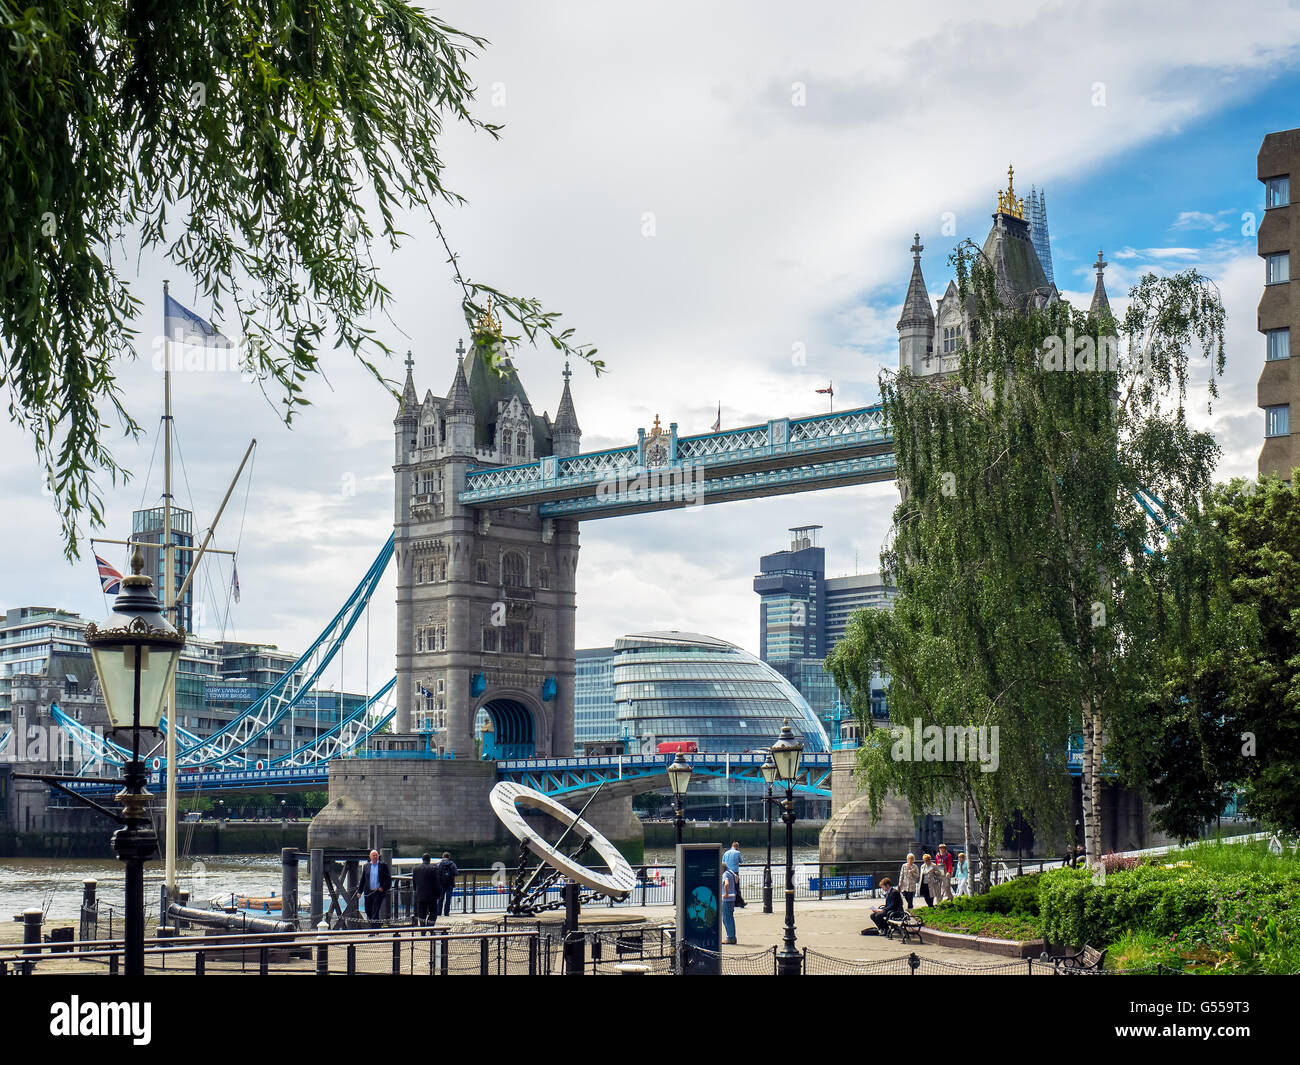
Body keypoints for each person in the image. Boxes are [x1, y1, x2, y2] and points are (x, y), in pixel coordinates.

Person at [411, 852, 440, 928]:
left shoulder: (415, 869)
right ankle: (430, 927)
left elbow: (414, 882)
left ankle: (423, 930)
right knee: (433, 913)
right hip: (431, 896)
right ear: (429, 860)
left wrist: (416, 892)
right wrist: (439, 894)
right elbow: (436, 883)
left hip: (420, 895)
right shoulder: (434, 868)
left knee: (421, 913)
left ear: (422, 859)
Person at [361, 849, 390, 922]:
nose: (375, 857)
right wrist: (359, 891)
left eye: (376, 855)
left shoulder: (383, 865)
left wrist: (383, 888)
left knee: (375, 910)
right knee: (368, 910)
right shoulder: (366, 866)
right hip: (368, 892)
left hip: (378, 892)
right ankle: (375, 926)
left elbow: (387, 878)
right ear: (370, 857)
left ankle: (374, 930)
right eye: (373, 855)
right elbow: (363, 880)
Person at [721, 860, 739, 945]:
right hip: (732, 898)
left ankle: (730, 938)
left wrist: (726, 893)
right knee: (729, 918)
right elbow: (737, 878)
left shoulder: (725, 874)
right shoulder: (731, 872)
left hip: (727, 899)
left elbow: (726, 883)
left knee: (726, 919)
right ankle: (732, 937)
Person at [722, 841, 744, 908]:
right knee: (736, 887)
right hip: (734, 872)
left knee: (728, 886)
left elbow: (723, 861)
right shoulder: (737, 852)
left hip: (726, 871)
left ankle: (731, 901)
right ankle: (740, 903)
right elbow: (741, 861)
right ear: (737, 847)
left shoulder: (726, 853)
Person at [436, 851, 458, 917]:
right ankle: (446, 913)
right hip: (450, 884)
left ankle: (439, 912)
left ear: (443, 857)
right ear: (449, 857)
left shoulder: (440, 864)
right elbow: (456, 873)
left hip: (441, 884)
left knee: (440, 899)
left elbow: (437, 873)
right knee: (448, 899)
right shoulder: (452, 864)